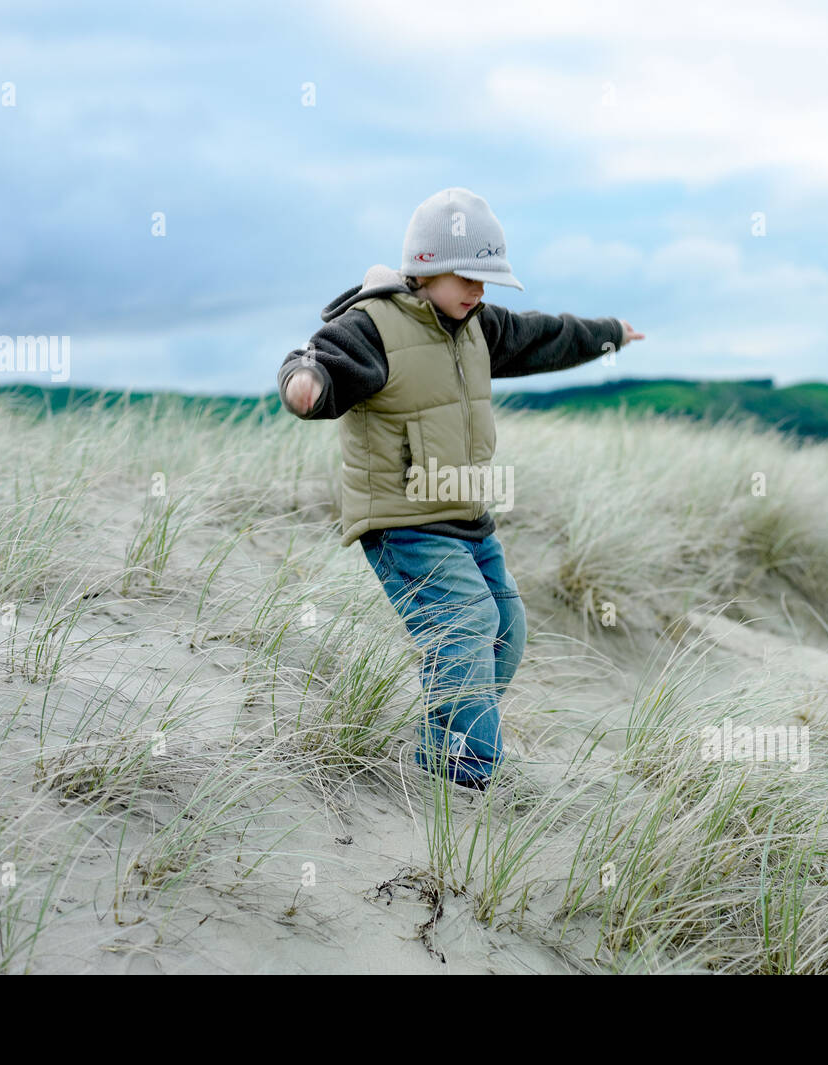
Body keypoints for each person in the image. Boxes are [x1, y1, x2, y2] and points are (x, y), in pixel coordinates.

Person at [276, 187, 644, 789]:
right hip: (404, 524)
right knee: (465, 624)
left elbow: (543, 336)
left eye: (487, 280)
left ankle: (444, 749)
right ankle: (468, 775)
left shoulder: (476, 325)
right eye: (468, 278)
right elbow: (316, 361)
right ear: (426, 270)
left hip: (467, 514)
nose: (480, 292)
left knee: (504, 626)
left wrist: (608, 334)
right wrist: (305, 383)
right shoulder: (373, 328)